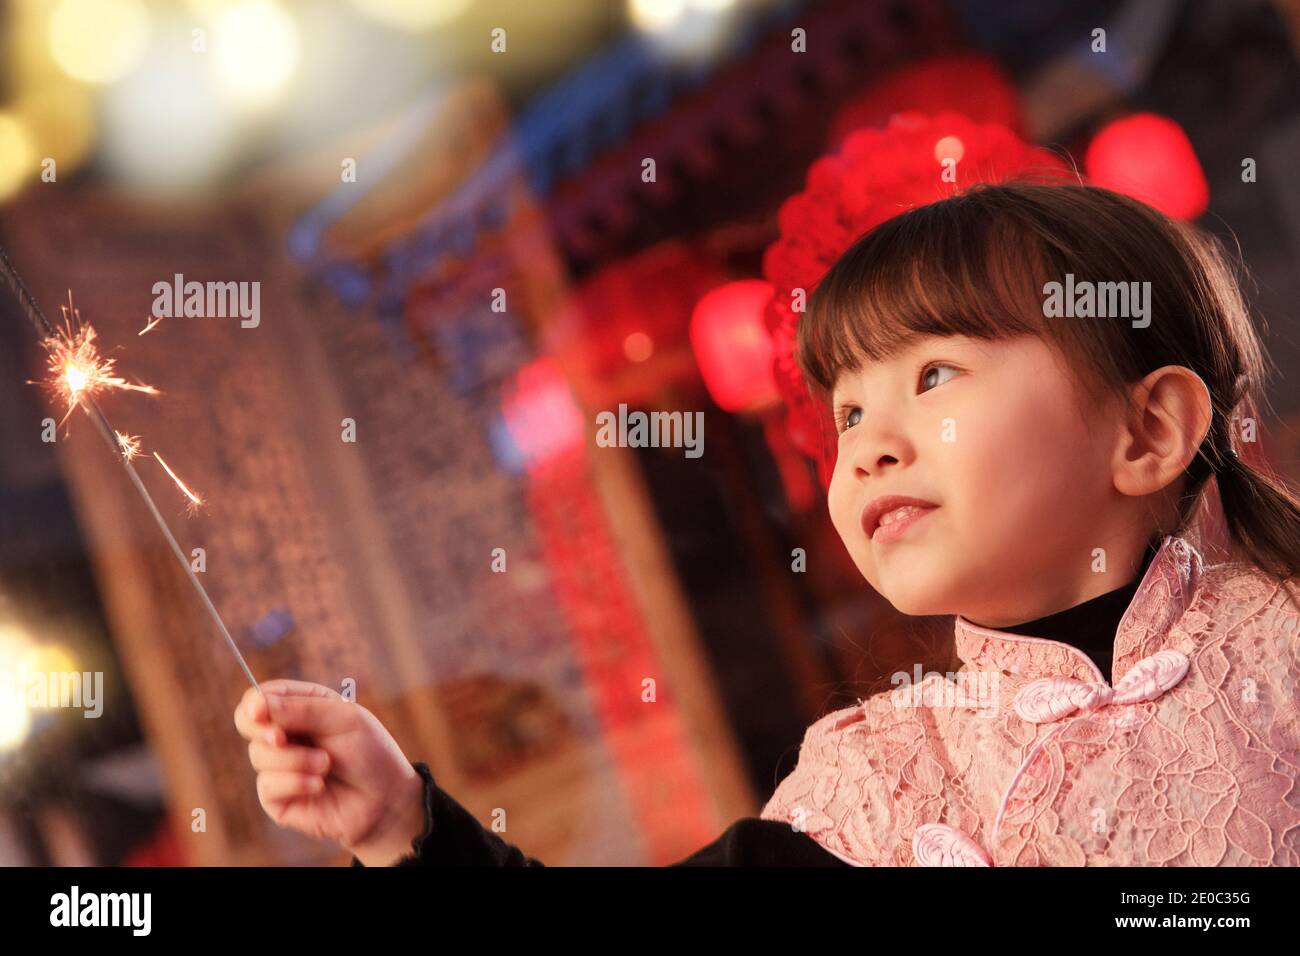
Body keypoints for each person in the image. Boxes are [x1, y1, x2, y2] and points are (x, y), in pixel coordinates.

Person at [233, 182, 1300, 866]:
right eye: (845, 413)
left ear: (1149, 427)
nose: (867, 445)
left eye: (933, 372)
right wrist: (402, 827)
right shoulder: (874, 782)